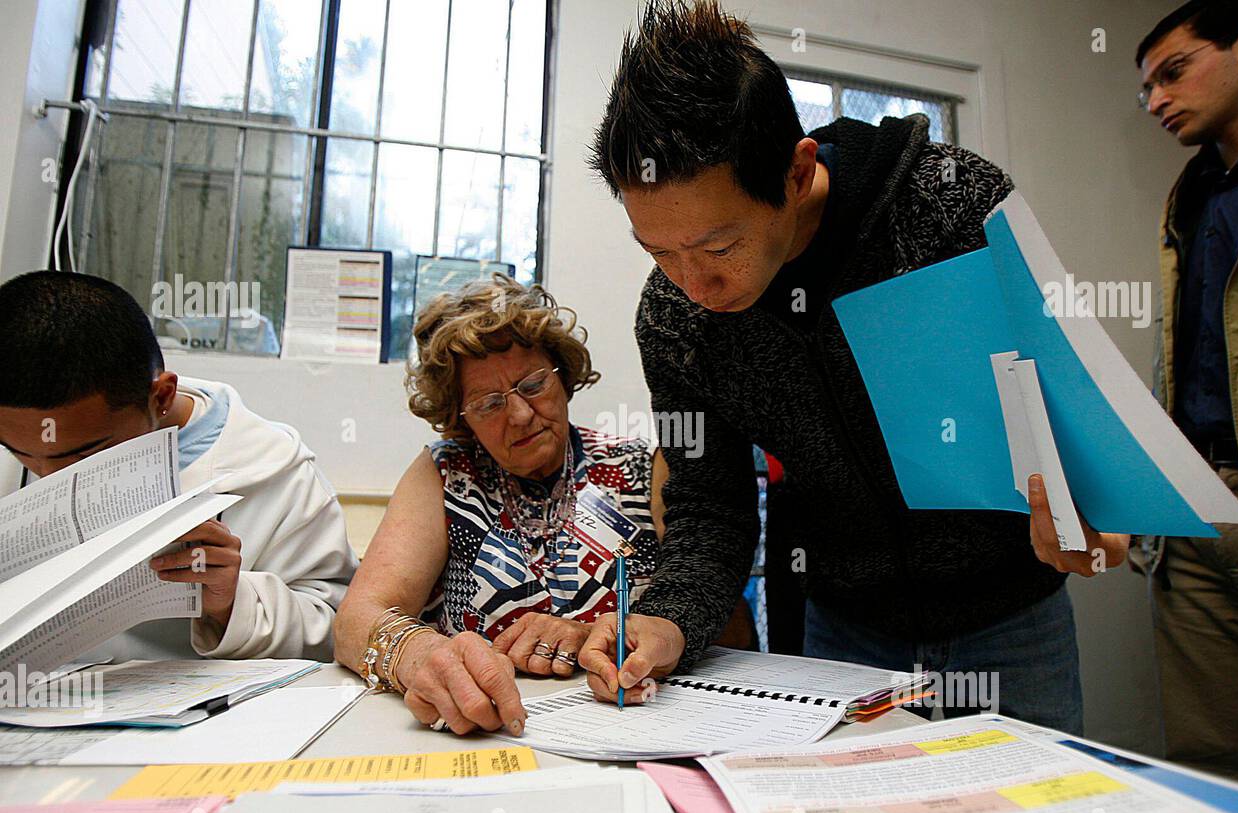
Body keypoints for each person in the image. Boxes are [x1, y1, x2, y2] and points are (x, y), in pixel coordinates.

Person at [577, 0, 1130, 733]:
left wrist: (1093, 502)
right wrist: (667, 619)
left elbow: (1063, 402)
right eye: (658, 252)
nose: (693, 287)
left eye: (717, 248)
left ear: (798, 171)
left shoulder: (950, 209)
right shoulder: (675, 318)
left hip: (1009, 618)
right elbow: (710, 507)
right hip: (843, 632)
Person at [334, 275, 664, 736]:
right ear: (461, 419)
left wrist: (605, 636)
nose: (521, 415)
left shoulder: (640, 468)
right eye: (489, 404)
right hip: (482, 731)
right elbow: (355, 622)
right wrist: (419, 654)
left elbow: (729, 629)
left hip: (635, 726)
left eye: (532, 385)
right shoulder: (447, 473)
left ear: (563, 376)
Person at [0, 270, 357, 660]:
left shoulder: (277, 472)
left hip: (188, 710)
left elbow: (337, 629)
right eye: (19, 452)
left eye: (84, 455)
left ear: (161, 395)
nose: (51, 479)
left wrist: (233, 603)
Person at [1134, 0, 1238, 793]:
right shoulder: (1189, 200)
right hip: (1192, 512)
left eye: (1173, 72)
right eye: (1148, 90)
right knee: (1222, 772)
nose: (1158, 100)